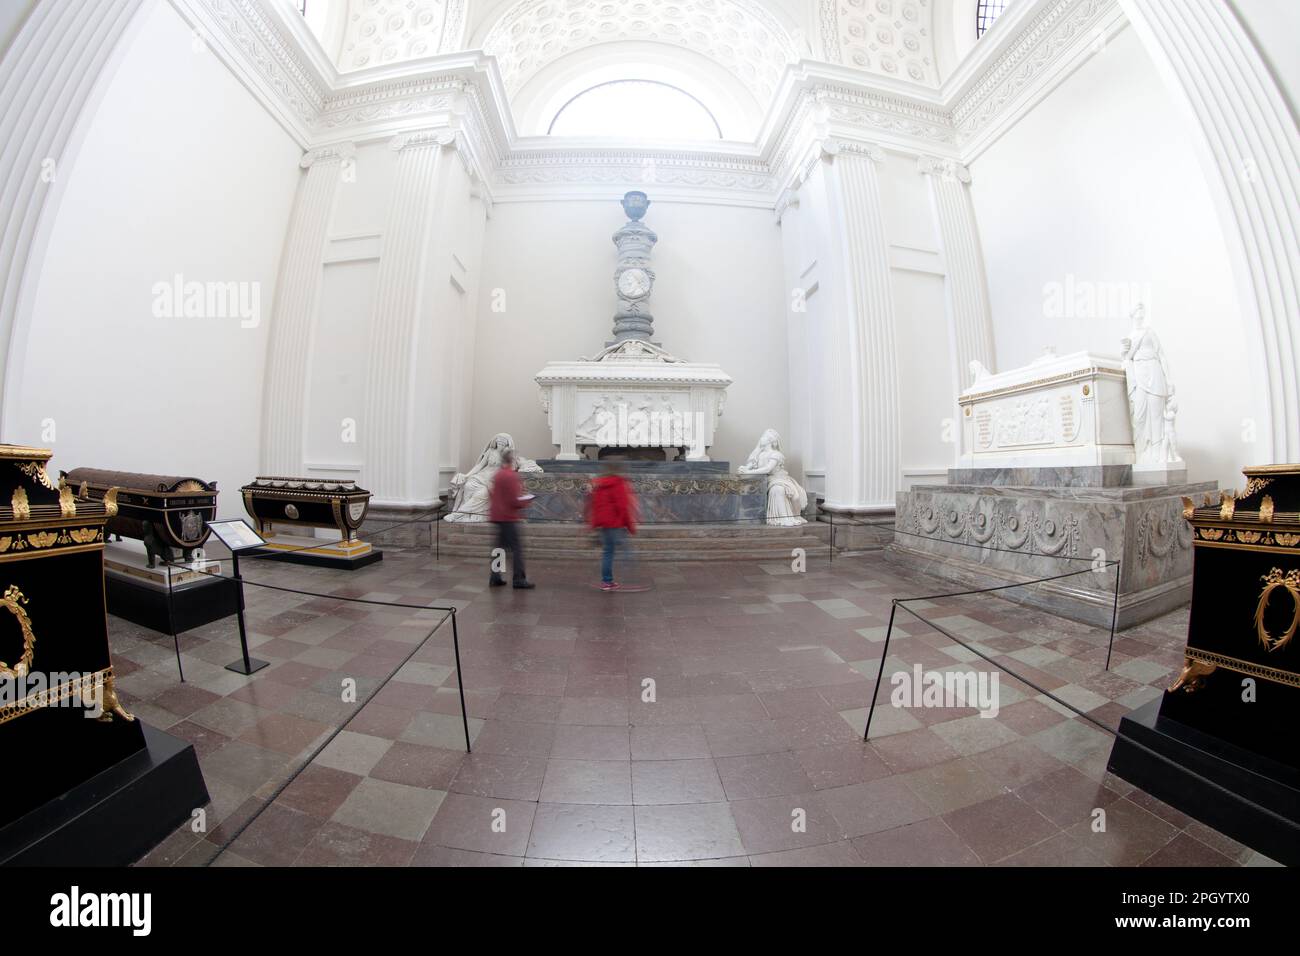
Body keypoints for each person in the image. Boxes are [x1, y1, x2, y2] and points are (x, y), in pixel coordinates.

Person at [587, 458, 637, 591]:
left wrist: (594, 524)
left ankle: (607, 581)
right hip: (616, 523)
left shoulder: (599, 484)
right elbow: (623, 506)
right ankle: (632, 577)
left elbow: (596, 505)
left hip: (604, 524)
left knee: (608, 551)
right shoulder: (618, 483)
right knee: (626, 550)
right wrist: (630, 526)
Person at [488, 449, 535, 589]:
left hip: (497, 516)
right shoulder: (511, 476)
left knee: (499, 549)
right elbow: (514, 500)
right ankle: (519, 579)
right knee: (516, 549)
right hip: (508, 517)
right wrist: (527, 500)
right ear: (512, 461)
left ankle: (495, 577)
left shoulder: (498, 474)